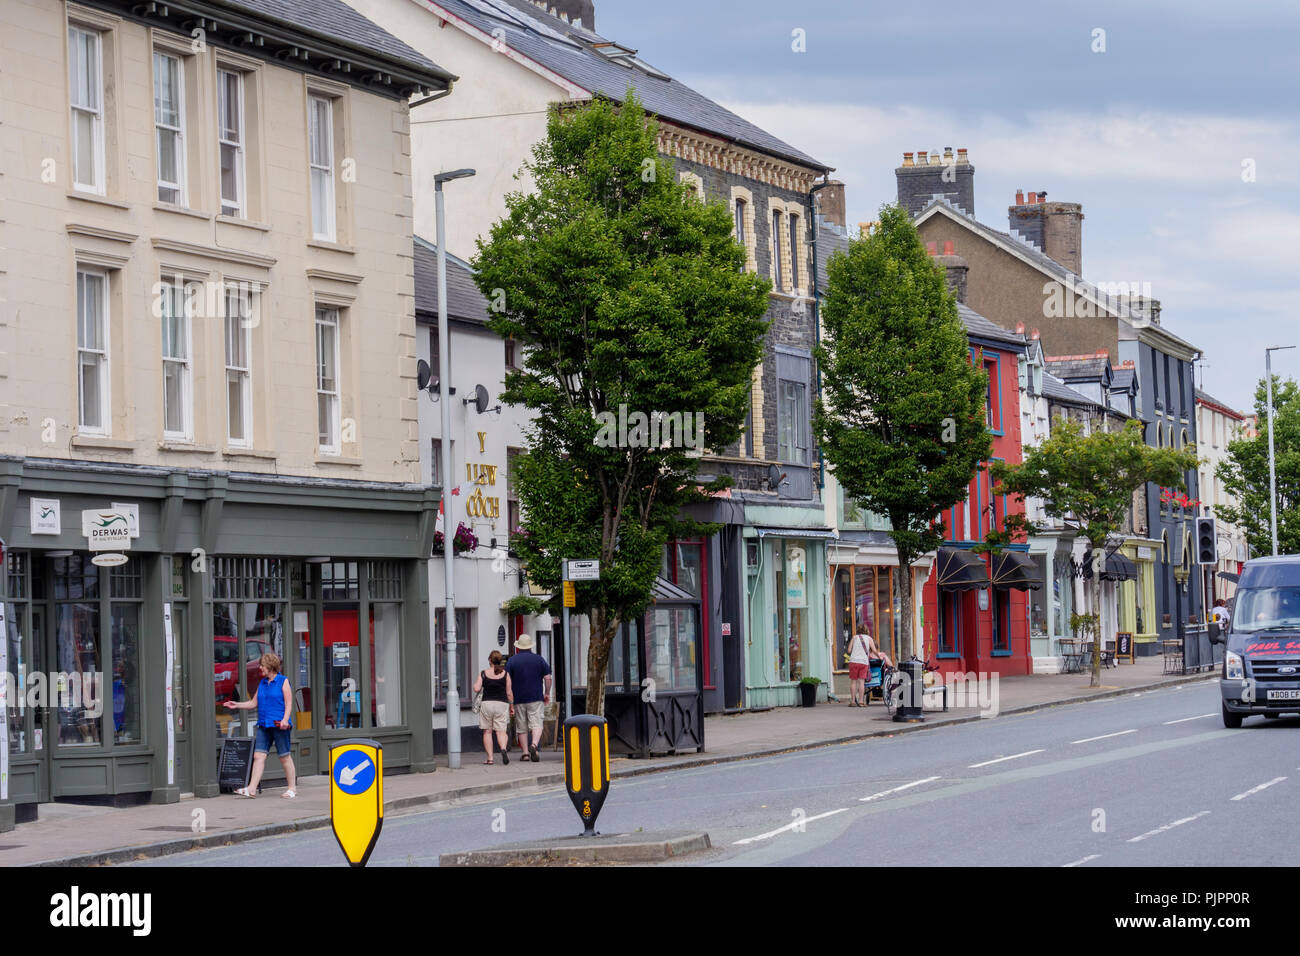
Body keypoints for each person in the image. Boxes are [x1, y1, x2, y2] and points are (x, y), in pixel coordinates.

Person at [223, 652, 297, 798]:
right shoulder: (263, 683)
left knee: (284, 756)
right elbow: (253, 703)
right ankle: (251, 789)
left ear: (270, 666)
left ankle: (292, 788)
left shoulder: (283, 681)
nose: (260, 668)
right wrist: (236, 704)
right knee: (258, 756)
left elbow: (289, 703)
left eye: (262, 666)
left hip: (279, 725)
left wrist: (284, 720)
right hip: (264, 724)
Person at [505, 634, 552, 762]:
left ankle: (525, 753)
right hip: (536, 697)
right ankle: (534, 745)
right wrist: (547, 693)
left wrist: (510, 699)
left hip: (519, 698)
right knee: (537, 723)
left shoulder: (512, 661)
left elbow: (507, 681)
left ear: (518, 647)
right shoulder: (539, 659)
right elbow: (548, 678)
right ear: (530, 646)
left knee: (521, 726)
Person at [473, 651, 513, 764]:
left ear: (489, 660)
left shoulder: (484, 673)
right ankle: (503, 749)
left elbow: (476, 688)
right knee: (501, 731)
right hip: (502, 704)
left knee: (487, 732)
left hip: (487, 704)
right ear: (500, 661)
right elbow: (509, 693)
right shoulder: (506, 674)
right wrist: (511, 706)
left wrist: (475, 685)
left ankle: (490, 759)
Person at [846, 629, 873, 707]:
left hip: (854, 661)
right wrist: (879, 657)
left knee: (853, 682)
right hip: (863, 662)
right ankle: (861, 702)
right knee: (861, 682)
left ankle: (853, 701)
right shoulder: (869, 638)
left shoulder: (854, 637)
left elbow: (849, 650)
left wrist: (856, 651)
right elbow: (874, 650)